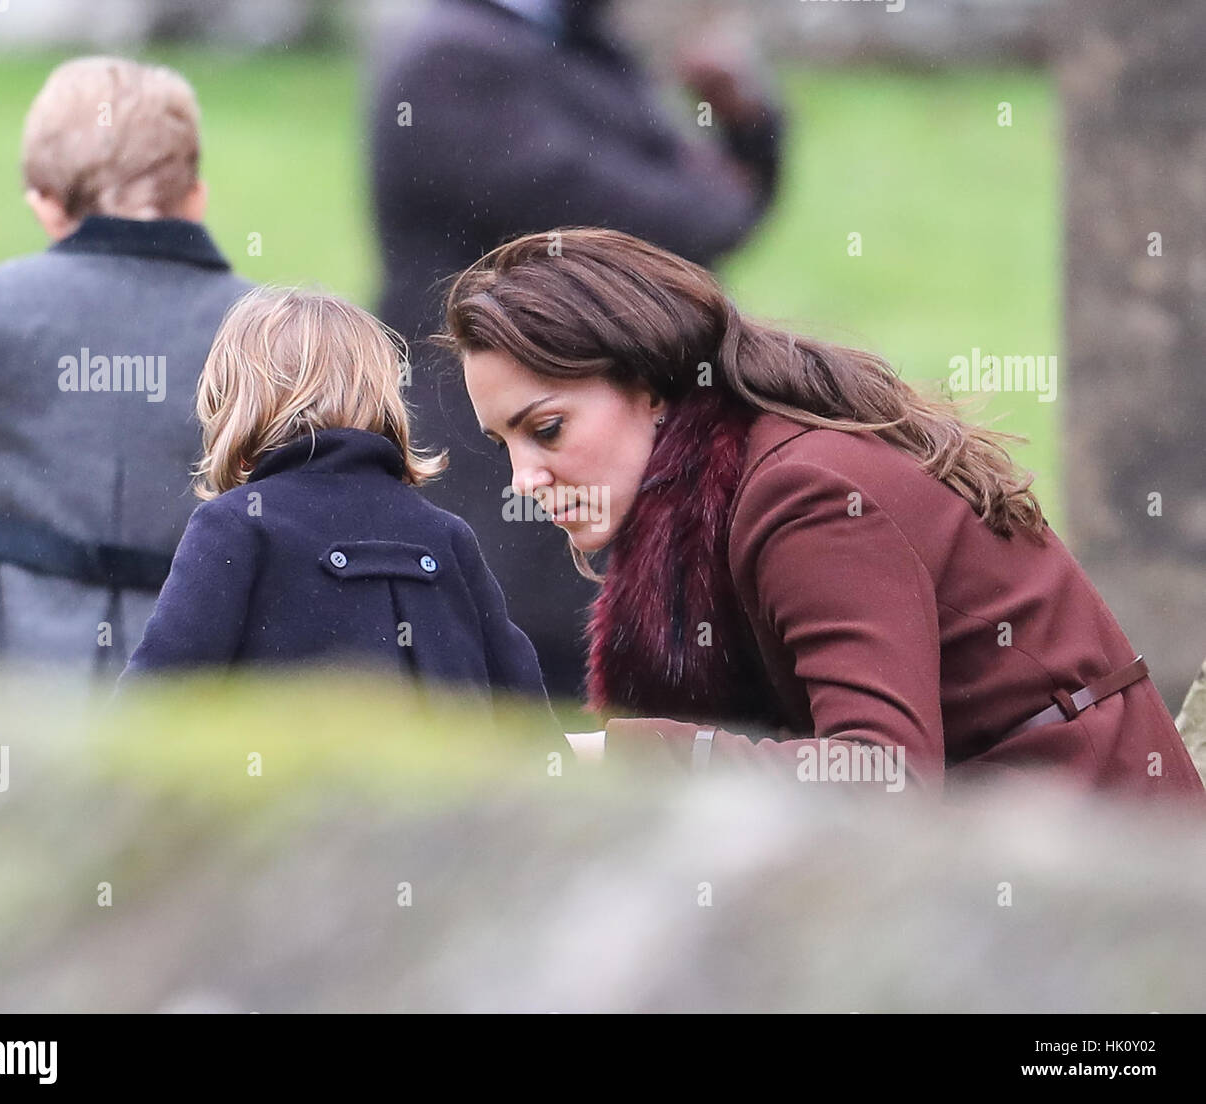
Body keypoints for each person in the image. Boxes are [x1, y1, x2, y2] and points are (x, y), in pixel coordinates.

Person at [441, 227, 1206, 802]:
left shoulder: (804, 496)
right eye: (502, 441)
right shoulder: (744, 468)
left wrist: (621, 754)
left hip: (1108, 892)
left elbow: (883, 777)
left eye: (546, 429)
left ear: (651, 384)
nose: (525, 478)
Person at [369, 0, 785, 703]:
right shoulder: (453, 62)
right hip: (492, 463)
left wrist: (746, 123)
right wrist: (719, 183)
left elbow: (707, 210)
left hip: (573, 450)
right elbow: (657, 218)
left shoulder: (571, 41)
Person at [0, 56, 252, 684]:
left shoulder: (15, 307)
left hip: (13, 669)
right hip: (192, 666)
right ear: (195, 199)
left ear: (45, 207)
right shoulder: (253, 327)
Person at [120, 287, 547, 710]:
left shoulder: (235, 525)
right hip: (455, 781)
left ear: (234, 401)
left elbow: (154, 707)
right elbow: (527, 721)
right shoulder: (447, 535)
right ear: (384, 395)